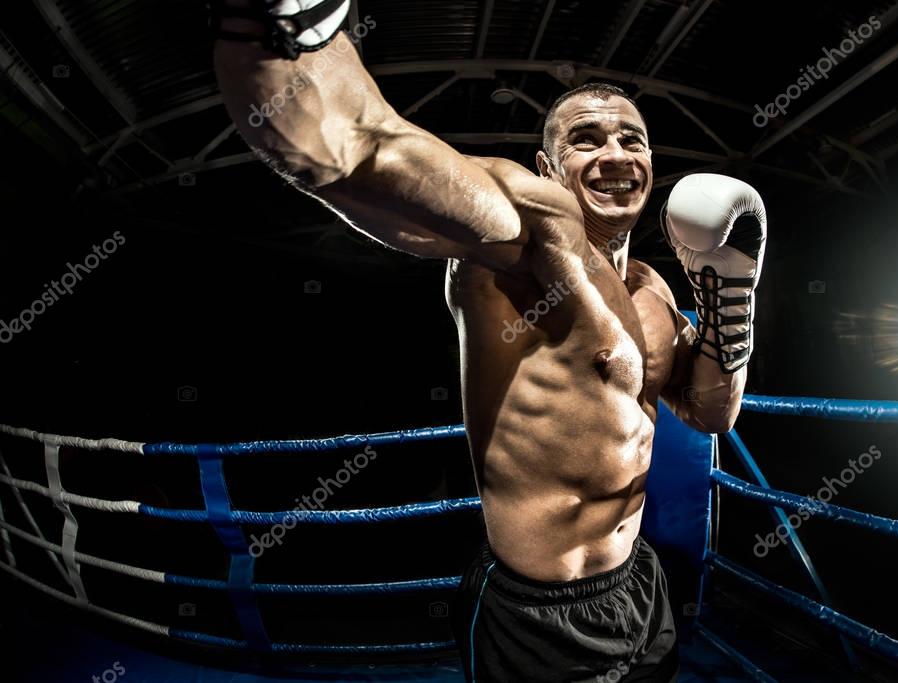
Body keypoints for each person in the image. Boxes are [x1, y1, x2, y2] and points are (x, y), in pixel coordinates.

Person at [208, 1, 766, 679]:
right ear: (546, 165)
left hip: (638, 583)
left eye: (631, 138)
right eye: (585, 140)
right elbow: (354, 150)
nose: (614, 155)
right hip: (536, 610)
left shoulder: (653, 288)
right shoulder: (533, 234)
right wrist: (284, 27)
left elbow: (710, 411)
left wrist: (732, 296)